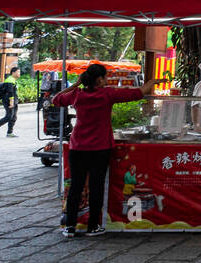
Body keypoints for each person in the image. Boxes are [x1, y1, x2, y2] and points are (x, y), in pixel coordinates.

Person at [52, 63, 162, 237]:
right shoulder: (107, 94)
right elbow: (138, 93)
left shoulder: (77, 95)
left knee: (76, 187)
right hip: (99, 148)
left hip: (78, 147)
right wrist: (153, 81)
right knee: (96, 187)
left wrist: (76, 84)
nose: (107, 79)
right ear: (99, 79)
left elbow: (56, 99)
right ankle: (93, 226)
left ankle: (70, 227)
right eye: (105, 76)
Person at [0, 66, 21, 137]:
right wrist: (11, 102)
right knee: (9, 116)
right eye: (18, 72)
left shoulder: (13, 80)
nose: (19, 73)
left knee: (14, 117)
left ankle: (9, 133)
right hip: (8, 101)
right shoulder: (10, 80)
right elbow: (10, 92)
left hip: (13, 101)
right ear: (13, 72)